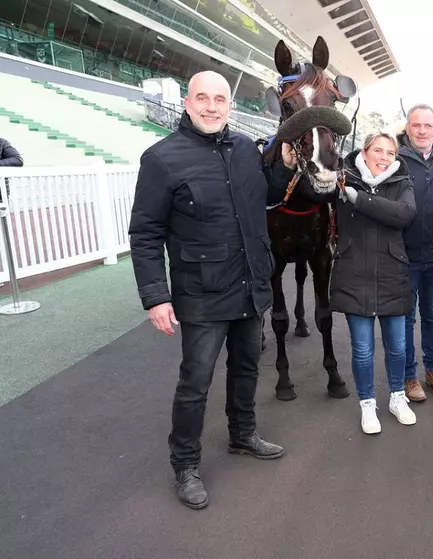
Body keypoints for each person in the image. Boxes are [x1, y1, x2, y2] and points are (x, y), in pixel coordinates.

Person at [129, 70, 286, 510]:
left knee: (248, 368)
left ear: (230, 106)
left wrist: (288, 163)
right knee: (195, 383)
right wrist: (156, 296)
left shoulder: (245, 150)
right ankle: (185, 463)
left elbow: (270, 194)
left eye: (220, 99)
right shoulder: (161, 158)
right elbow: (145, 232)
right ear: (186, 101)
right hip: (201, 292)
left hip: (251, 283)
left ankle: (242, 434)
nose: (212, 106)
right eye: (203, 98)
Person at [304, 131, 417, 435]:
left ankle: (396, 396)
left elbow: (403, 214)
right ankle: (367, 403)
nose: (383, 157)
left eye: (390, 153)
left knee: (398, 347)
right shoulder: (342, 178)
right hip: (353, 273)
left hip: (393, 272)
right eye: (377, 151)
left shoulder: (401, 182)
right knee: (363, 350)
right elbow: (313, 190)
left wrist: (358, 198)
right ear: (364, 152)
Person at [397, 104, 433, 402]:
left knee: (432, 314)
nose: (422, 131)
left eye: (427, 125)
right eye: (416, 125)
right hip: (403, 255)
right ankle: (409, 375)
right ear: (408, 128)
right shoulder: (394, 158)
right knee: (406, 317)